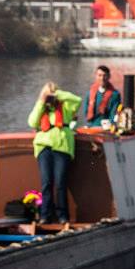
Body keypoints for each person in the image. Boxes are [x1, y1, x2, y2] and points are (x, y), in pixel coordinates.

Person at [28, 80, 81, 225]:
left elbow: (77, 100)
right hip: (44, 147)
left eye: (52, 94)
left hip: (61, 146)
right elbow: (32, 122)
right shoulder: (41, 108)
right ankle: (45, 215)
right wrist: (41, 101)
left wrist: (57, 94)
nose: (50, 98)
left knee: (60, 183)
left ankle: (62, 215)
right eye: (48, 94)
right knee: (46, 182)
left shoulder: (65, 107)